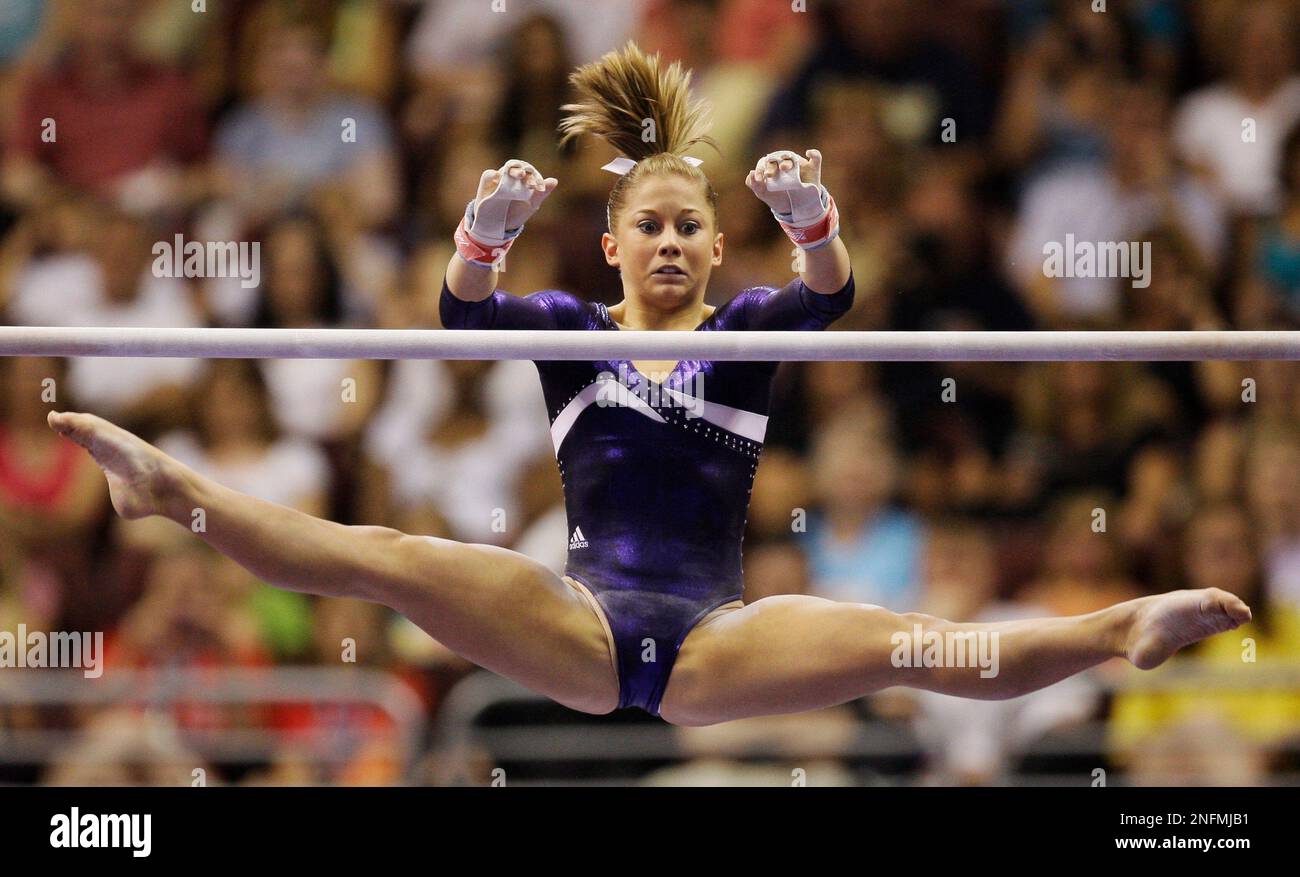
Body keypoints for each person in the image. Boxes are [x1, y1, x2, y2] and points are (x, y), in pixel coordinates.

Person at [48, 42, 1250, 728]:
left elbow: (828, 293)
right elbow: (461, 315)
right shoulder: (567, 326)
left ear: (719, 251)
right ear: (611, 245)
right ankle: (168, 487)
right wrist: (483, 234)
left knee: (910, 643)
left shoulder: (747, 330)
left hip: (720, 640)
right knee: (388, 554)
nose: (671, 243)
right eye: (650, 228)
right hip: (580, 624)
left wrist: (810, 220)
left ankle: (1117, 627)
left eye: (692, 227)